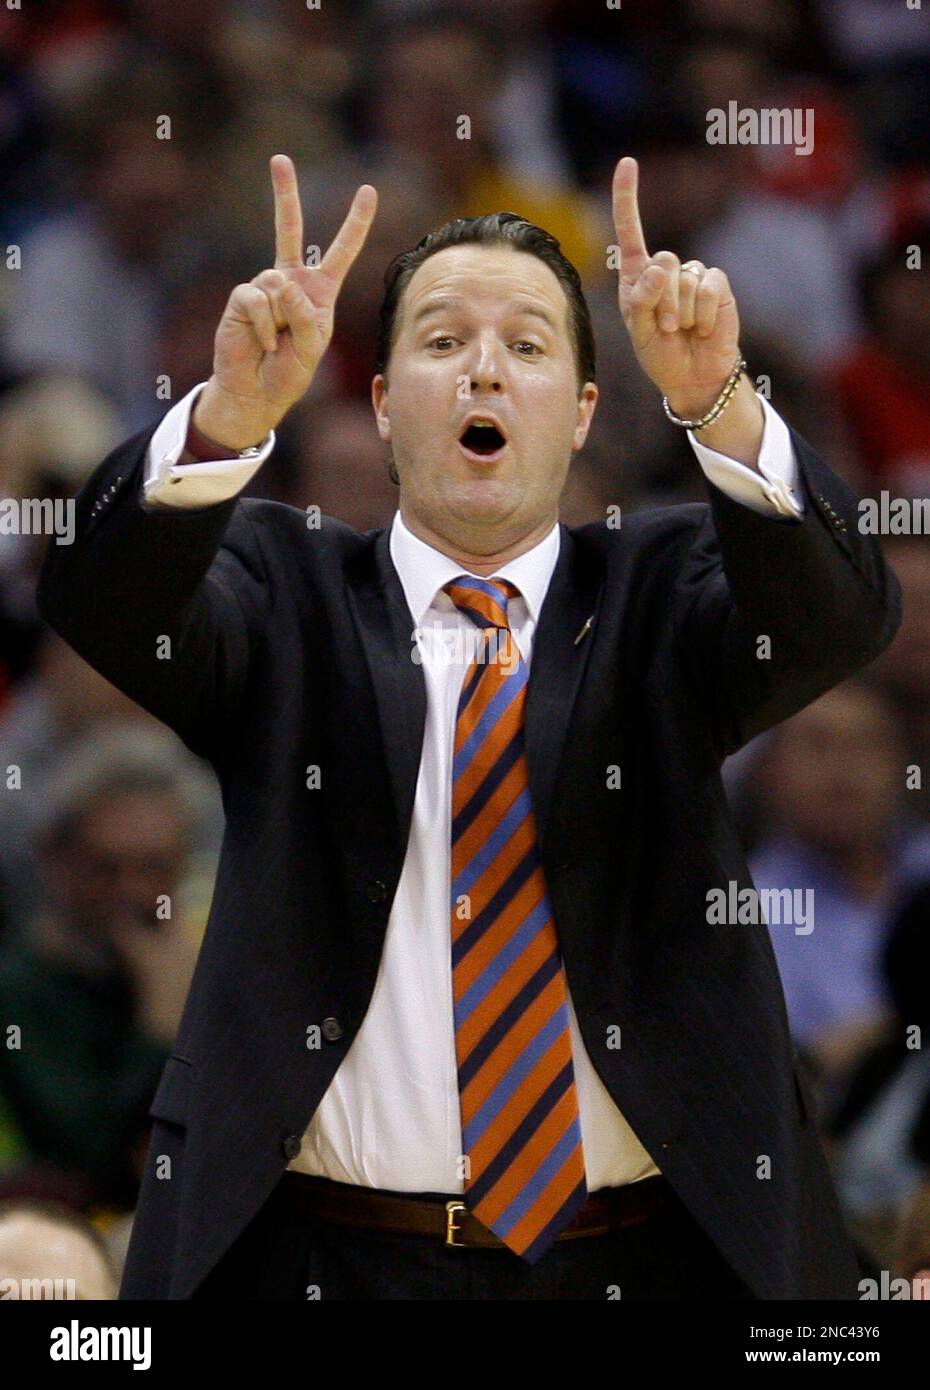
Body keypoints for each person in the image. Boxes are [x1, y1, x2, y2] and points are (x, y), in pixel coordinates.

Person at [36, 154, 901, 1300]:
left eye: (529, 346)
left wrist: (721, 402)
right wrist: (225, 418)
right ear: (382, 402)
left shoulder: (661, 588)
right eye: (442, 340)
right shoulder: (286, 591)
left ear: (583, 412)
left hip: (646, 1256)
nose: (484, 367)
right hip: (326, 1259)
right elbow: (102, 600)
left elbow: (842, 619)